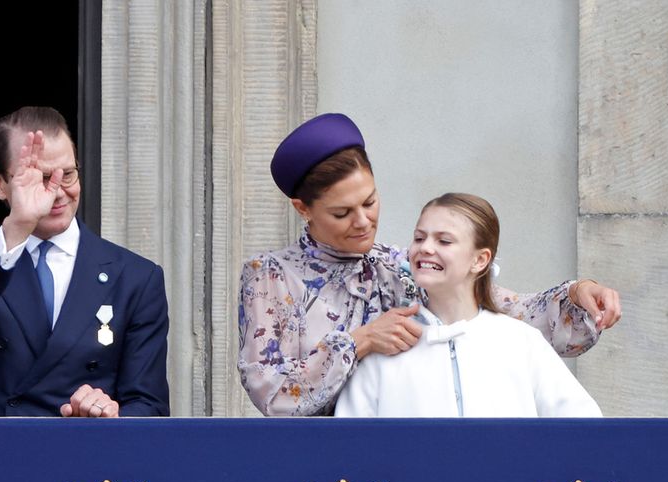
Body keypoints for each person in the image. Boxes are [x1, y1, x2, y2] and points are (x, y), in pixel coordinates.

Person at [238, 113, 621, 416]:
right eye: (342, 213)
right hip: (312, 467)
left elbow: (503, 312)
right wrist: (360, 342)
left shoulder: (398, 266)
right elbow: (269, 390)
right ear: (303, 209)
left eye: (370, 202)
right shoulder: (272, 276)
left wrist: (576, 294)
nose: (363, 221)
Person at [0, 106, 170, 417]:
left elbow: (149, 405)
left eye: (67, 175)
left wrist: (110, 416)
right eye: (39, 179)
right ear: (0, 184)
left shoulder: (136, 277)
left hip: (79, 446)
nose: (56, 192)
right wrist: (17, 227)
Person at [334, 193, 602, 417]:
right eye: (419, 238)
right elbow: (350, 447)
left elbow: (584, 432)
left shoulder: (523, 343)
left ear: (480, 260)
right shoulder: (386, 350)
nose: (425, 248)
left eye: (444, 241)